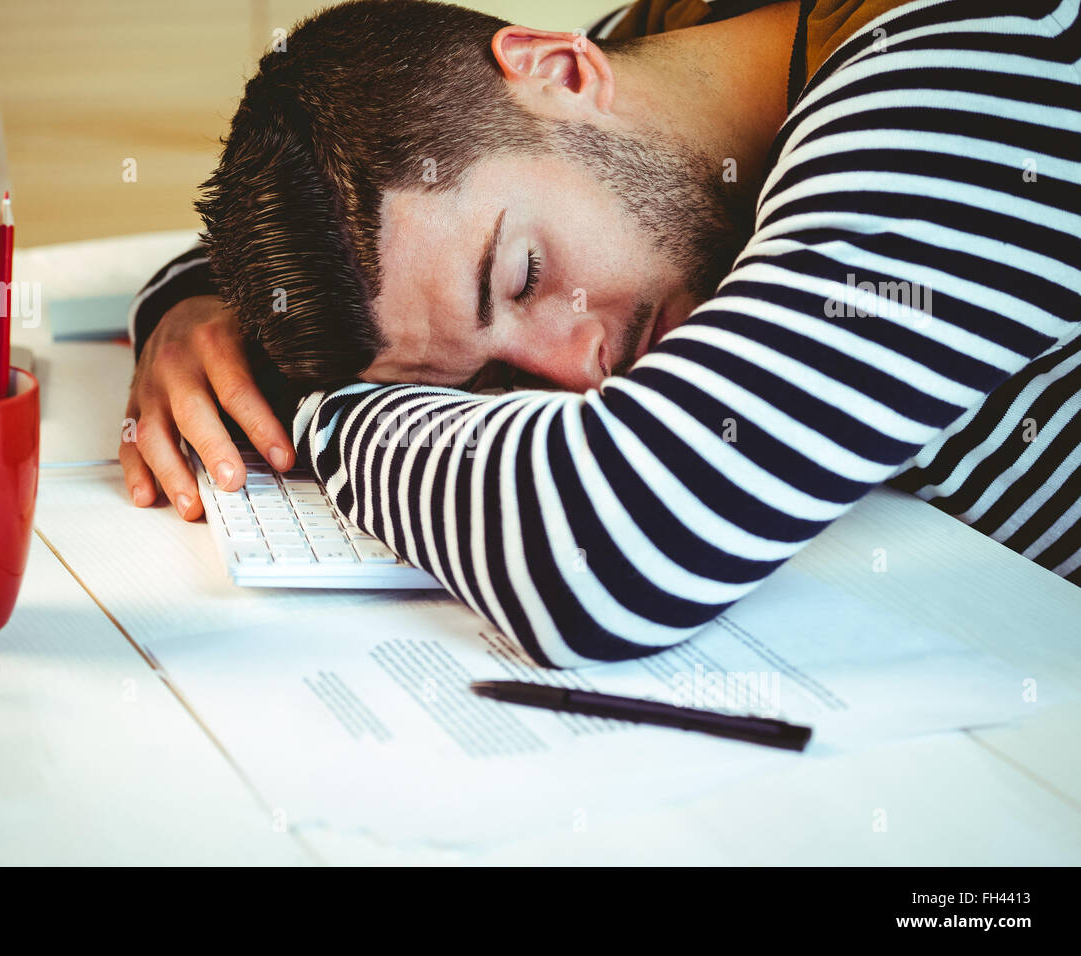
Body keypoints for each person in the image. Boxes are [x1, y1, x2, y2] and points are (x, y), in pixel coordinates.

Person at [121, 0, 1081, 666]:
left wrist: (334, 413)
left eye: (525, 276)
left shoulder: (965, 72)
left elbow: (606, 543)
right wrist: (198, 308)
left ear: (560, 70)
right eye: (490, 378)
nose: (575, 373)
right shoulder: (667, 49)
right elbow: (366, 225)